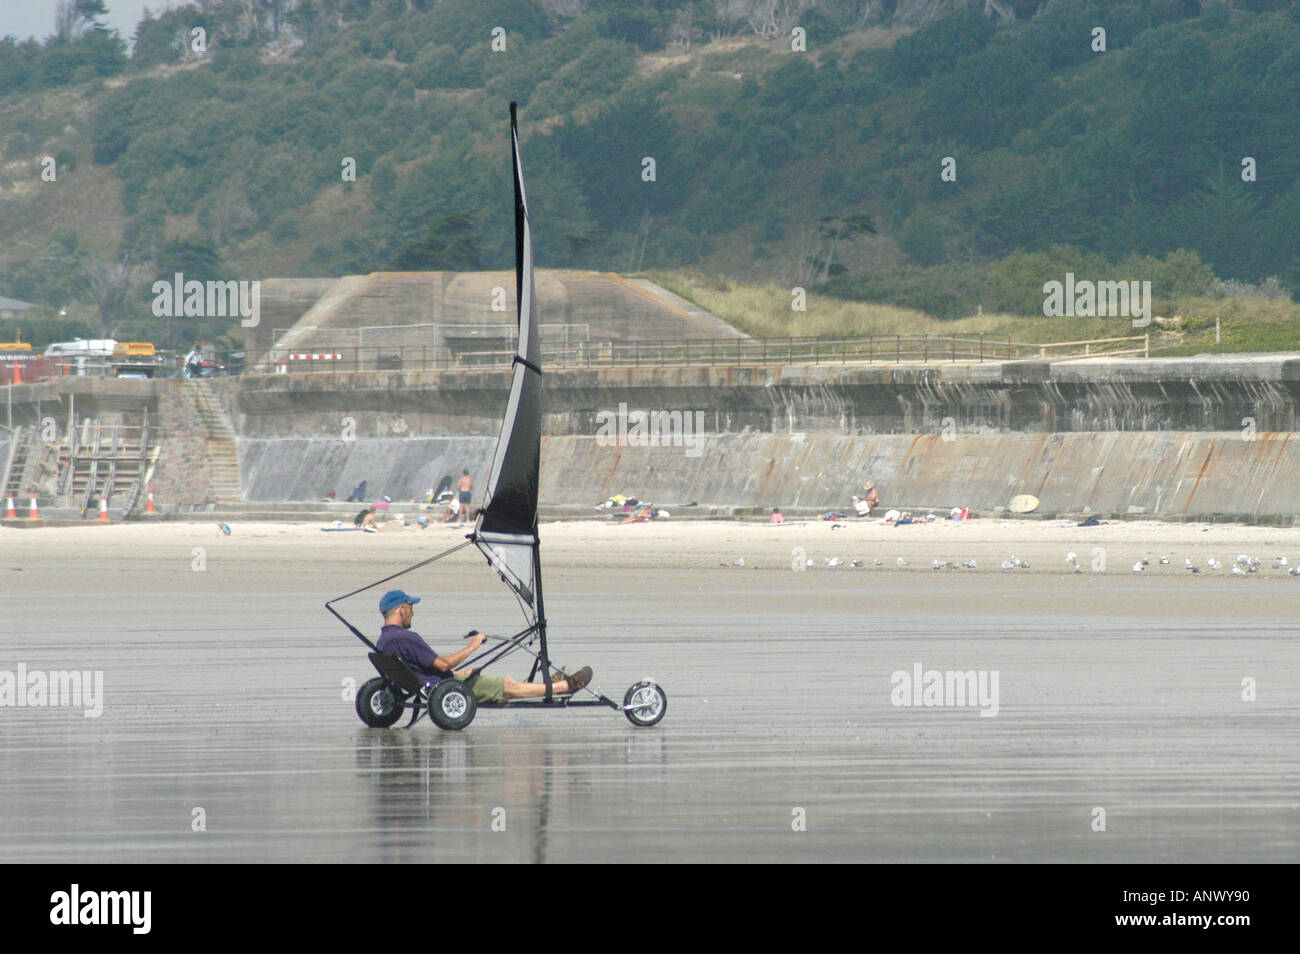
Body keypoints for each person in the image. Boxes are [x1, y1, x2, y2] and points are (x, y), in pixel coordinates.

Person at [374, 590, 592, 703]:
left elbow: (420, 669)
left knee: (505, 687)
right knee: (507, 686)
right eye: (411, 607)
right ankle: (565, 686)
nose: (413, 612)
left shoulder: (384, 641)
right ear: (401, 610)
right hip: (443, 687)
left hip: (434, 683)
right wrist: (473, 646)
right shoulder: (406, 638)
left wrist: (460, 672)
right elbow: (441, 665)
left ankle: (547, 687)